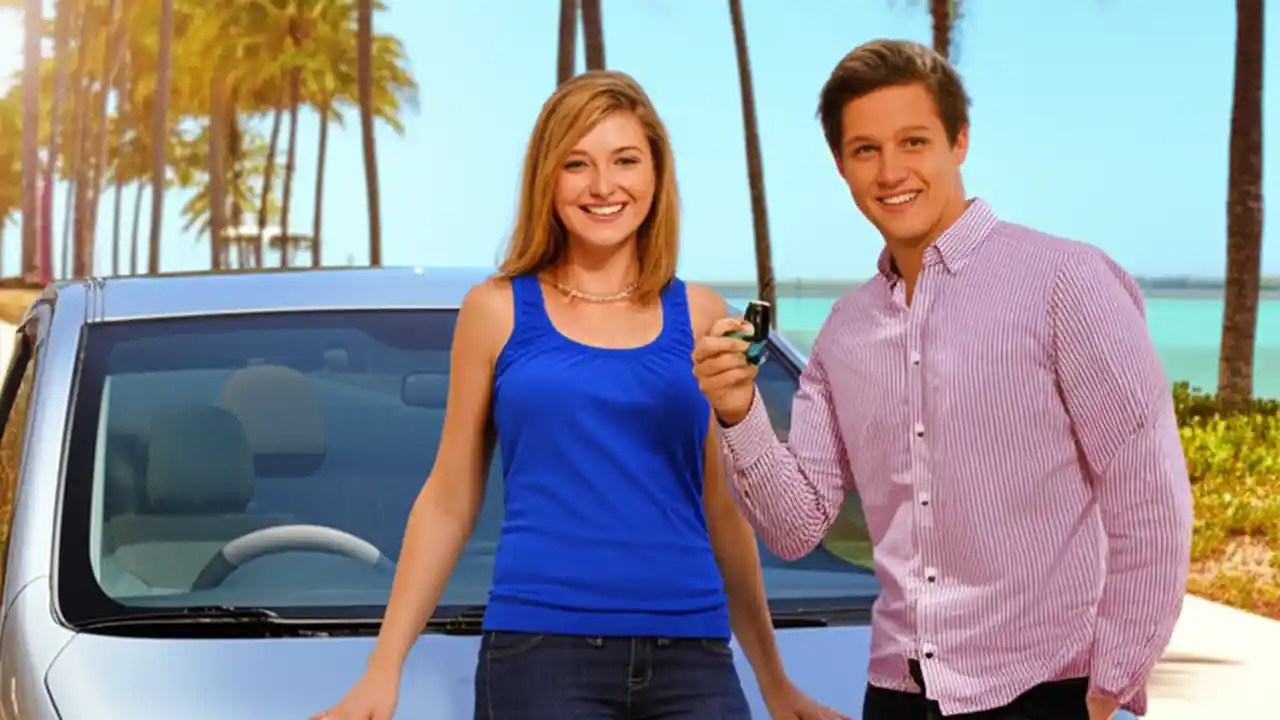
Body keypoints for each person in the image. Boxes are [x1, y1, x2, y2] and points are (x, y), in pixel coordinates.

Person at [312, 70, 846, 720]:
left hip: (694, 660)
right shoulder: (495, 312)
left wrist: (773, 683)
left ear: (655, 173)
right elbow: (449, 500)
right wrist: (381, 671)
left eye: (625, 161)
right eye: (577, 164)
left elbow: (723, 511)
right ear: (547, 178)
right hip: (541, 660)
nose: (603, 187)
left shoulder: (706, 315)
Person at [691, 39, 1194, 720]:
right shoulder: (845, 331)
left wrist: (1108, 689)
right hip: (897, 696)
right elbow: (795, 526)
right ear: (840, 165)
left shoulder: (1065, 283)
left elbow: (1149, 497)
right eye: (865, 150)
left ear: (959, 141)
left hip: (1045, 693)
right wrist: (737, 411)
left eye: (913, 141)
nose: (891, 170)